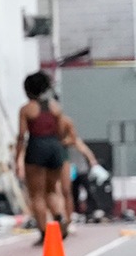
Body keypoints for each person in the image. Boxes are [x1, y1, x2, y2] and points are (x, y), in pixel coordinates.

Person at [14, 72, 100, 242]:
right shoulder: (55, 107)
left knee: (37, 194)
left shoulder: (26, 109)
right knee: (53, 189)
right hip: (55, 147)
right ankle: (60, 216)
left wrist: (18, 158)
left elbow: (22, 136)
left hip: (37, 146)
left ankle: (44, 232)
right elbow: (61, 132)